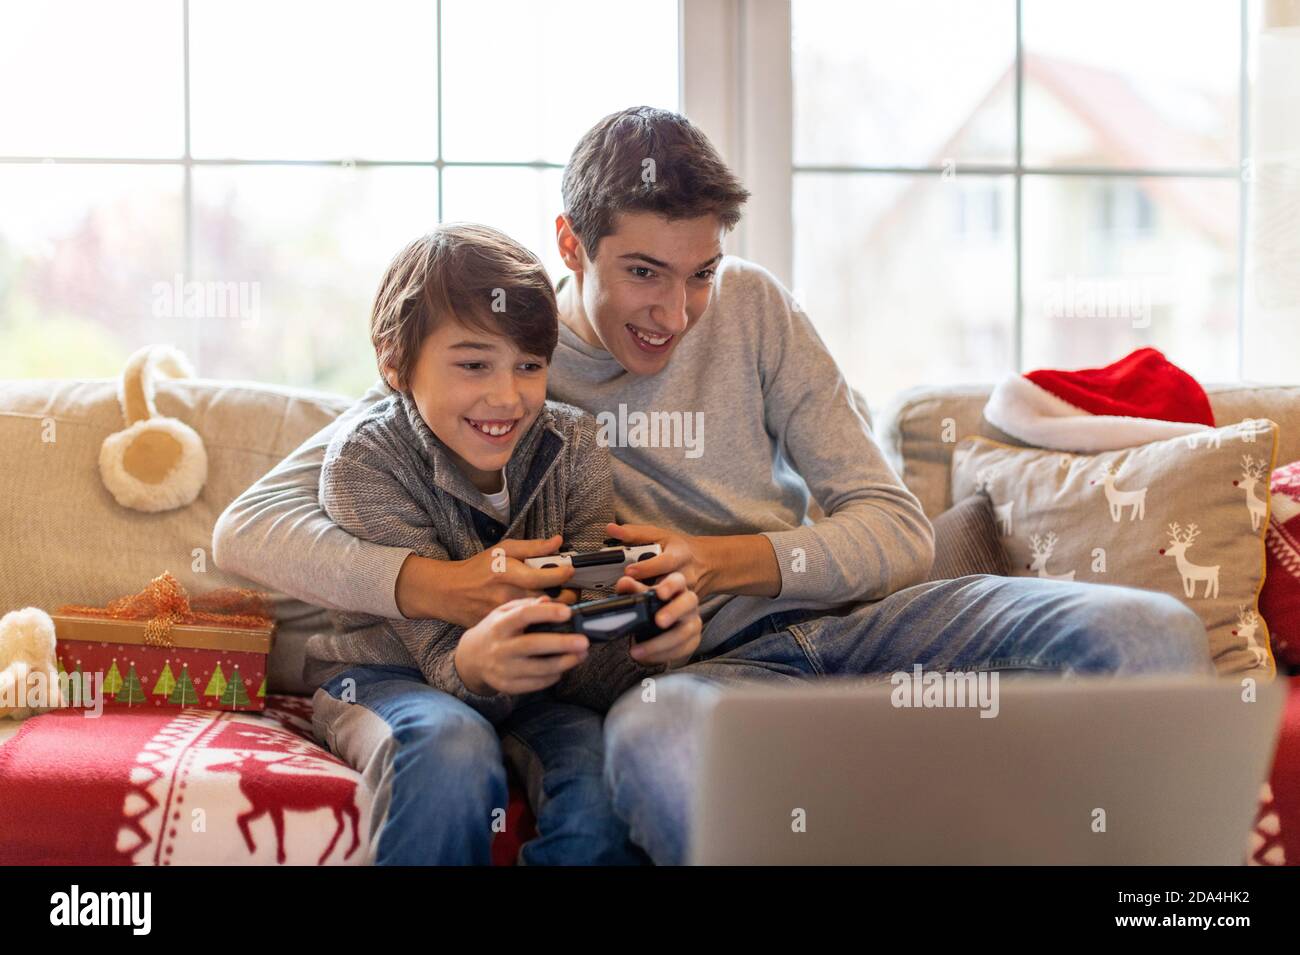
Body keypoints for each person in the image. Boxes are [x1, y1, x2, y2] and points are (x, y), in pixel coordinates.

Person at [214, 107, 1212, 866]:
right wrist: (446, 585)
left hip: (854, 625)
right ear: (571, 246)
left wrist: (723, 560)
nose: (677, 312)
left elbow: (895, 530)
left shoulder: (753, 313)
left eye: (700, 273)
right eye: (645, 272)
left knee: (1145, 635)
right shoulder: (503, 359)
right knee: (673, 760)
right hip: (691, 680)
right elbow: (253, 525)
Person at [297, 222, 700, 864]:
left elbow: (587, 640)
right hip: (385, 677)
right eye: (473, 364)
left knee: (605, 787)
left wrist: (650, 643)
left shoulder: (576, 448)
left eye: (529, 366)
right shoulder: (364, 463)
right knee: (450, 746)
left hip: (540, 689)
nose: (507, 396)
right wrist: (476, 666)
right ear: (395, 363)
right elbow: (438, 656)